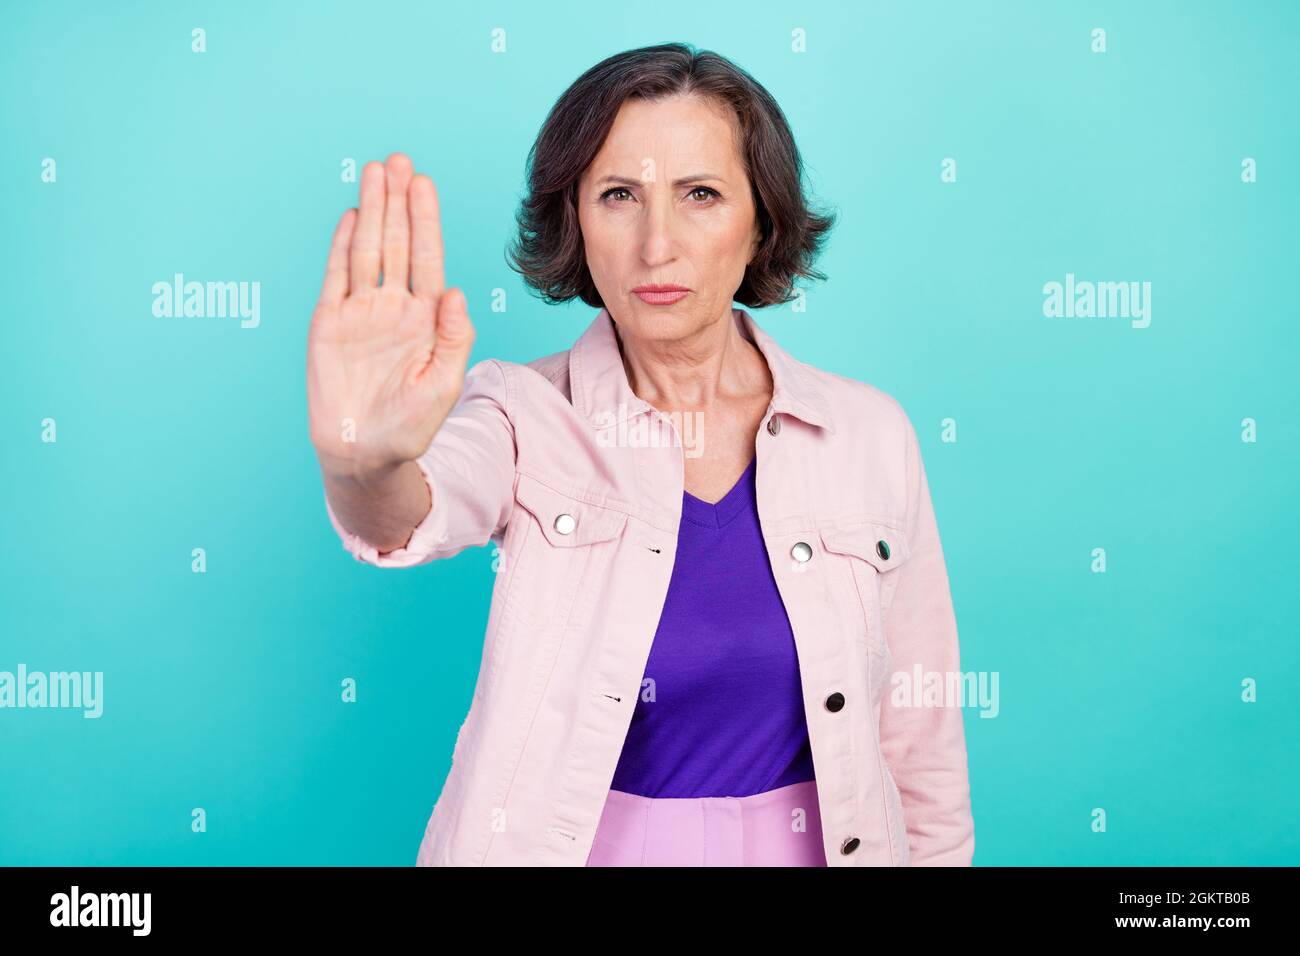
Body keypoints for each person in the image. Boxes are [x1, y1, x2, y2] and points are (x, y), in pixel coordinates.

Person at [307, 42, 974, 867]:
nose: (657, 245)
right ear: (575, 218)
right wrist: (361, 462)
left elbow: (920, 743)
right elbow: (412, 513)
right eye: (619, 194)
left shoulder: (871, 435)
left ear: (761, 218)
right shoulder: (521, 412)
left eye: (701, 194)